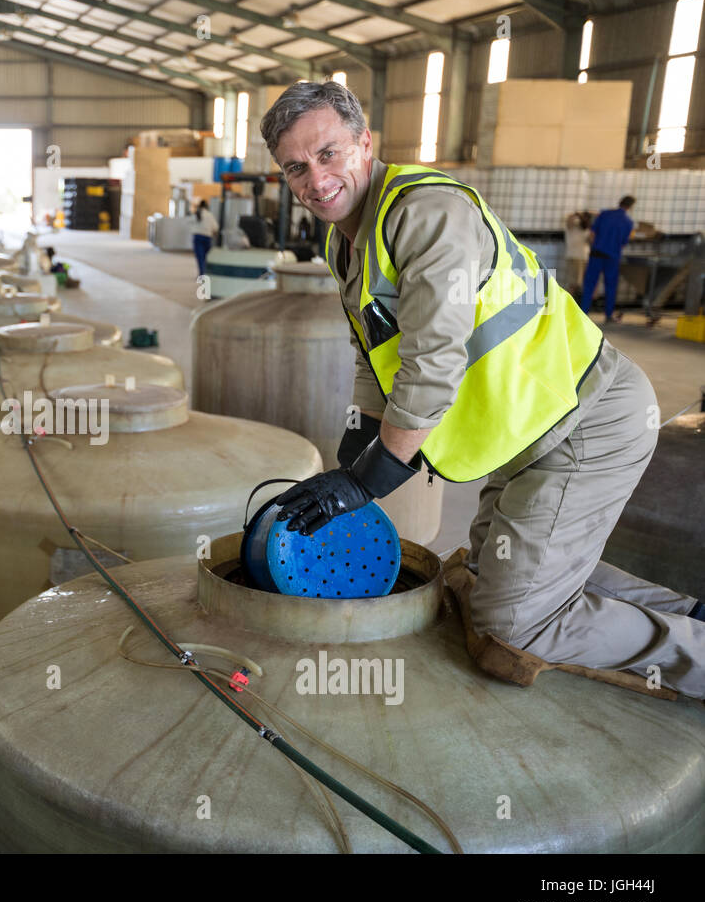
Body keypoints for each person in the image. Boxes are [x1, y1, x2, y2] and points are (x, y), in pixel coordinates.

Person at [255, 81, 705, 698]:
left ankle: (695, 653)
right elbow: (374, 353)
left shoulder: (425, 214)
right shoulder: (347, 242)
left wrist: (367, 480)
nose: (316, 178)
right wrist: (355, 447)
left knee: (511, 623)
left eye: (328, 153)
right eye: (295, 168)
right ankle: (694, 612)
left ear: (364, 143)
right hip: (522, 430)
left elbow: (433, 364)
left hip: (584, 420)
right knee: (486, 572)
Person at [581, 196, 637, 323]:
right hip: (612, 257)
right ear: (630, 207)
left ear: (619, 202)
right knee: (610, 286)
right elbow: (623, 243)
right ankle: (608, 315)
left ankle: (583, 313)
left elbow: (592, 234)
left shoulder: (604, 214)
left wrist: (594, 246)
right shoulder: (628, 222)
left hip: (596, 254)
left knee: (589, 284)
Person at [562, 210, 592, 298]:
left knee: (579, 283)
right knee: (574, 283)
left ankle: (572, 301)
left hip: (583, 257)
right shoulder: (573, 226)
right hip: (575, 256)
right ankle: (567, 302)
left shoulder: (586, 229)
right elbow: (568, 218)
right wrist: (577, 213)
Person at [191, 200, 219, 276]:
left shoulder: (196, 214)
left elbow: (189, 223)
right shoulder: (210, 215)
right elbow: (215, 227)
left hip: (197, 237)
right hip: (207, 238)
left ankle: (202, 273)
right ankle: (205, 272)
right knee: (205, 257)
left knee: (200, 257)